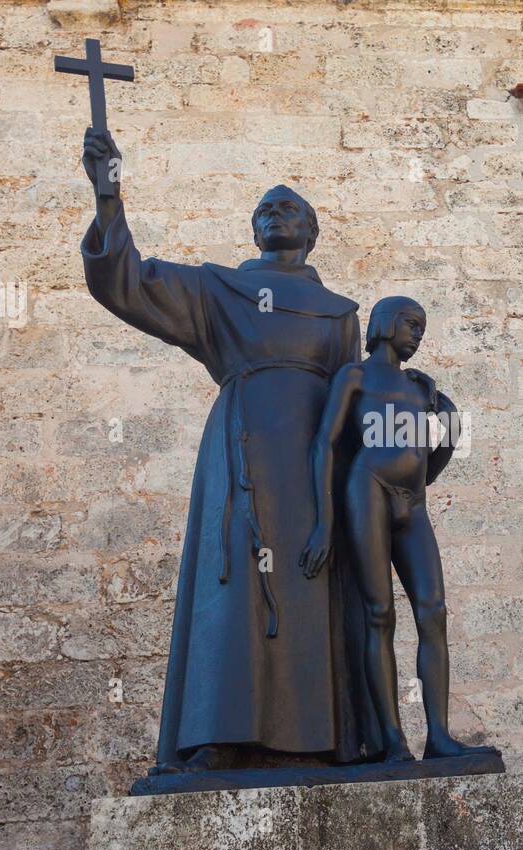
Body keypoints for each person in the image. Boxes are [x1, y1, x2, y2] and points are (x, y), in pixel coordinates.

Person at [79, 128, 380, 773]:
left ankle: (324, 736)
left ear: (312, 232)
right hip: (241, 448)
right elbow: (128, 281)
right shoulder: (218, 290)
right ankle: (220, 732)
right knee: (235, 578)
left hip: (314, 461)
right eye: (265, 208)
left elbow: (354, 402)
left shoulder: (341, 313)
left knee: (313, 578)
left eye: (289, 207)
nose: (276, 213)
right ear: (254, 230)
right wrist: (108, 193)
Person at [301, 296, 498, 763]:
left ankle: (439, 735)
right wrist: (324, 522)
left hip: (413, 502)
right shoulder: (355, 376)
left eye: (422, 329)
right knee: (380, 613)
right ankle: (391, 738)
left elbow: (445, 444)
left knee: (433, 612)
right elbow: (324, 445)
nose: (417, 334)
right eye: (412, 324)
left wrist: (443, 413)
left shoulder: (418, 386)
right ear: (386, 323)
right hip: (366, 490)